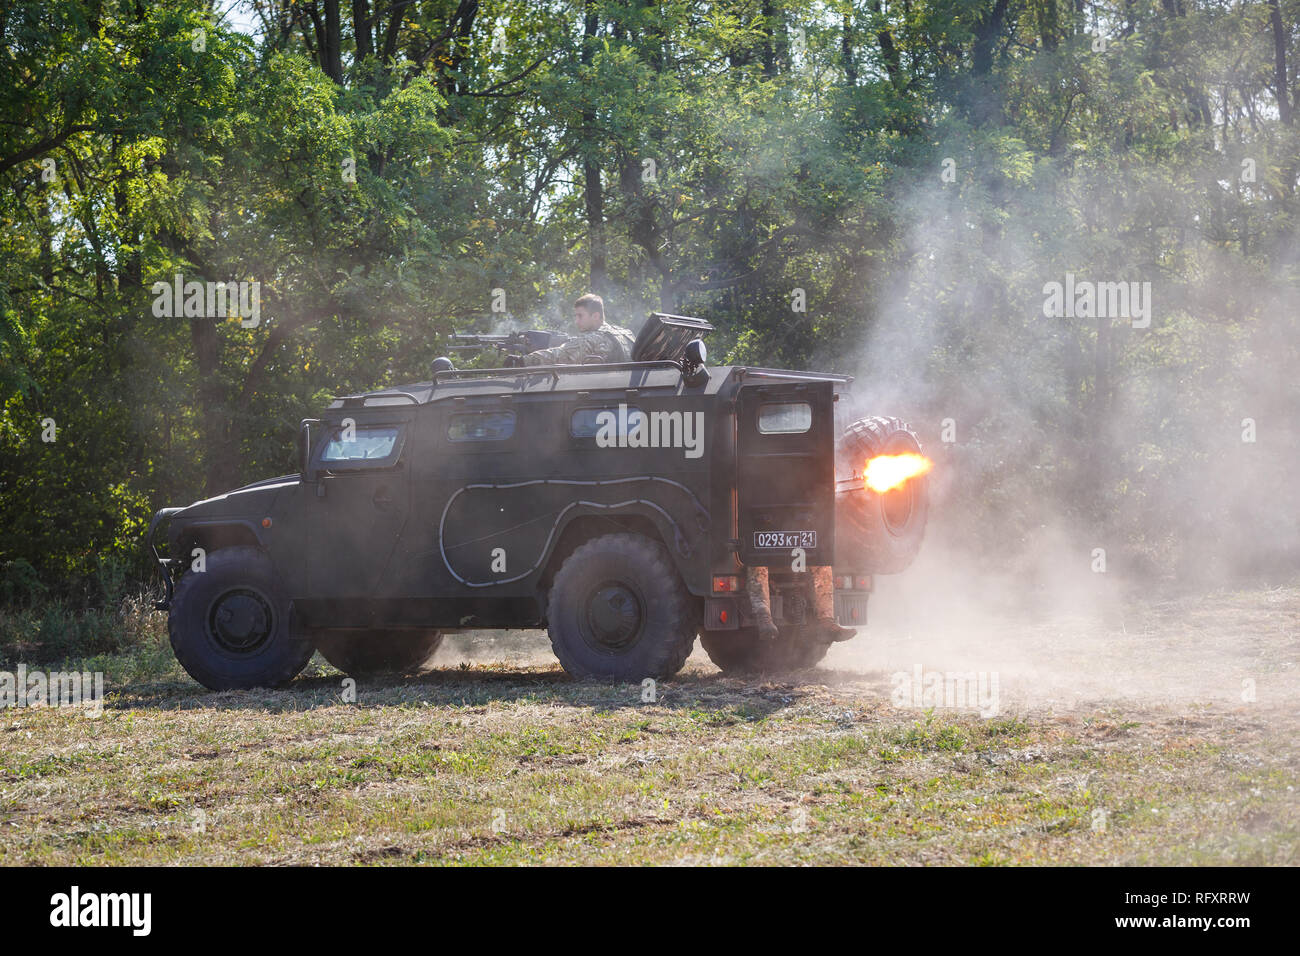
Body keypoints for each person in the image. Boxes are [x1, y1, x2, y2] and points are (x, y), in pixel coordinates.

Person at [519, 293, 637, 366]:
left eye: (580, 316)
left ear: (595, 316)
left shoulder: (591, 339)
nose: (576, 321)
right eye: (575, 316)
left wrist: (523, 361)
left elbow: (558, 355)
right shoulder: (625, 333)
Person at [746, 564, 853, 643]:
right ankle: (764, 618)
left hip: (796, 551)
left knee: (822, 566)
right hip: (763, 551)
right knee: (757, 566)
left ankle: (827, 623)